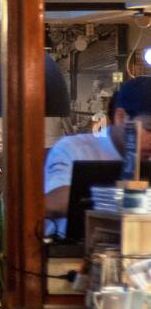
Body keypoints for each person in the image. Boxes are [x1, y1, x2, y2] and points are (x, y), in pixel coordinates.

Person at [44, 77, 151, 237]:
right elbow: (53, 202)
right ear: (121, 117)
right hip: (75, 255)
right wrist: (124, 198)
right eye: (149, 128)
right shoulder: (74, 149)